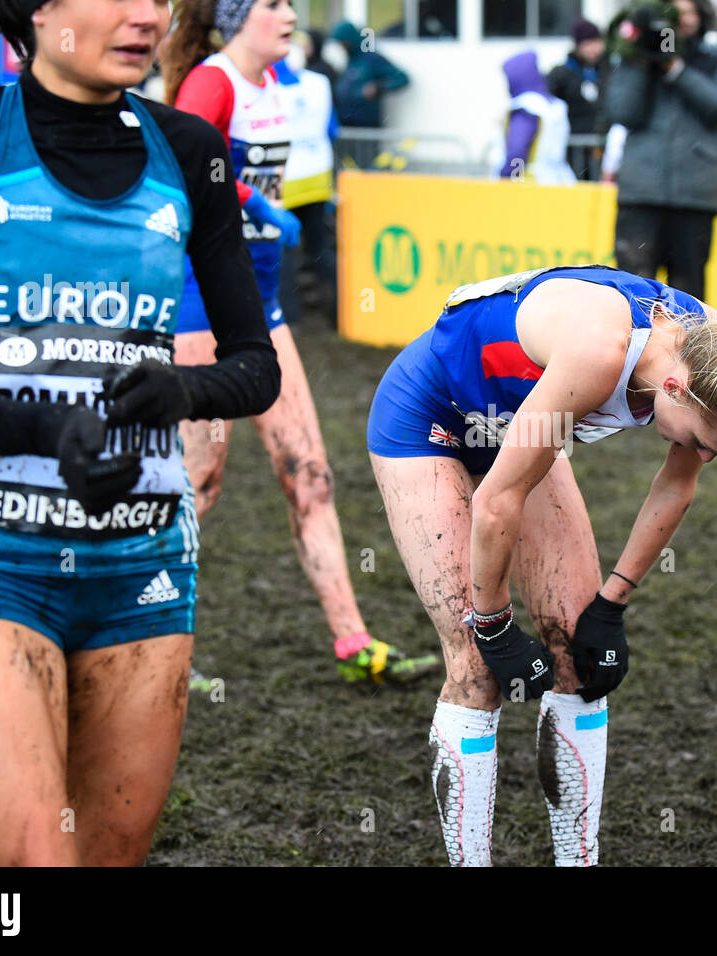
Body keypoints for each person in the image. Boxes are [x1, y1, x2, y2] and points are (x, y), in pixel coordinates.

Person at [0, 0, 281, 865]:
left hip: (143, 570)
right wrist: (48, 427)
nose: (148, 14)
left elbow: (258, 368)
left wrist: (181, 388)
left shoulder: (192, 153)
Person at [367, 264, 717, 866]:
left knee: (580, 657)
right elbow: (496, 503)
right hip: (429, 416)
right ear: (674, 388)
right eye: (701, 442)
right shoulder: (601, 354)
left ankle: (578, 859)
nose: (699, 456)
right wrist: (492, 622)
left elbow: (675, 487)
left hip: (519, 423)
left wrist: (612, 604)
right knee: (477, 667)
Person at [163, 0, 435, 685]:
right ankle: (158, 653)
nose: (289, 14)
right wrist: (256, 207)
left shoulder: (279, 84)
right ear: (235, 18)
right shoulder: (211, 82)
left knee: (310, 476)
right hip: (199, 306)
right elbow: (187, 174)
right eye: (274, 4)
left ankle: (353, 644)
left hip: (261, 307)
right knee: (198, 483)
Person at [603, 0, 717, 300]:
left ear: (702, 16)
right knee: (633, 290)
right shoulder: (634, 57)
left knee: (688, 296)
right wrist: (643, 59)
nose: (683, 19)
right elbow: (623, 111)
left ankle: (686, 350)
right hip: (642, 193)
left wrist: (676, 68)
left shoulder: (715, 57)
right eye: (675, 13)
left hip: (695, 195)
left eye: (689, 11)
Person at [274, 45, 338, 329]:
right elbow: (333, 129)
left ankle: (290, 320)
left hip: (284, 182)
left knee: (285, 254)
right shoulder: (319, 83)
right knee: (321, 249)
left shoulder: (267, 84)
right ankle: (338, 313)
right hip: (317, 178)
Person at [331, 19, 409, 169]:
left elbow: (402, 78)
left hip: (366, 126)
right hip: (347, 126)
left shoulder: (371, 58)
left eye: (343, 42)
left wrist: (378, 87)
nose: (341, 47)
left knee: (366, 168)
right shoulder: (349, 59)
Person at [498, 50, 576, 184]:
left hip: (531, 187)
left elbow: (517, 152)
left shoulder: (527, 107)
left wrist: (509, 178)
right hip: (558, 180)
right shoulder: (553, 104)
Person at [546, 18, 606, 181]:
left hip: (599, 152)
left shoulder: (606, 71)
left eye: (597, 42)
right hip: (570, 153)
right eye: (589, 43)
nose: (595, 48)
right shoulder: (560, 75)